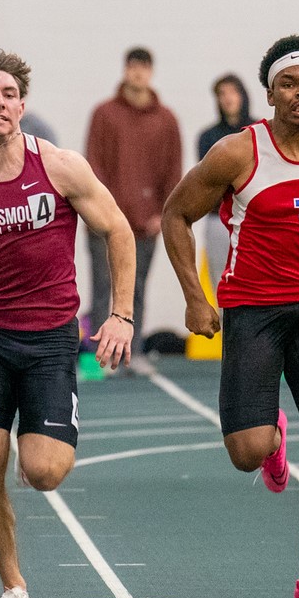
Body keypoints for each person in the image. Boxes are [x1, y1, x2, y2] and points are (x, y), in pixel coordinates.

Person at [160, 35, 299, 598]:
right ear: (271, 93)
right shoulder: (239, 153)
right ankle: (273, 433)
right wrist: (194, 297)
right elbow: (176, 215)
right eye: (290, 84)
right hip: (253, 310)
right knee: (246, 453)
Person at [0, 50, 135, 598]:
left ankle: (38, 439)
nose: (0, 103)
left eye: (10, 94)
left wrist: (120, 313)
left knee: (43, 473)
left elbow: (117, 228)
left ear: (23, 104)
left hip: (50, 342)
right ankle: (13, 585)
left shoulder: (60, 166)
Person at [84, 47, 182, 370]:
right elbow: (93, 165)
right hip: (104, 224)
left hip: (145, 225)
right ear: (125, 70)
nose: (138, 73)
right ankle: (100, 357)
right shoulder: (104, 114)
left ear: (151, 72)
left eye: (144, 67)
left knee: (136, 290)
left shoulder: (166, 120)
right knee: (103, 289)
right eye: (133, 67)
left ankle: (132, 354)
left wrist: (162, 214)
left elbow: (174, 171)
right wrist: (100, 213)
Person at [195, 74, 256, 289]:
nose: (227, 98)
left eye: (232, 92)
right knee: (221, 282)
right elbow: (210, 181)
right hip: (219, 219)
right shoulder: (208, 137)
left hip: (254, 218)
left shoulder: (259, 132)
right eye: (222, 93)